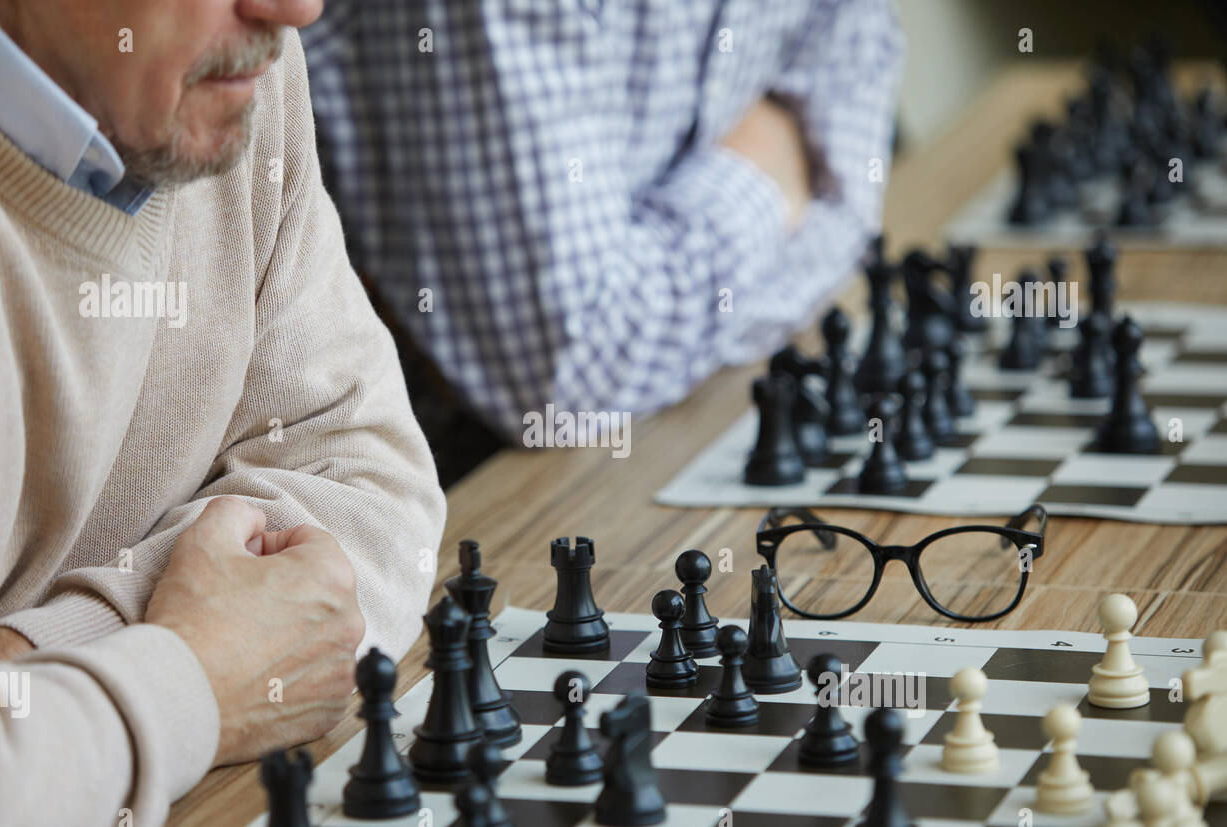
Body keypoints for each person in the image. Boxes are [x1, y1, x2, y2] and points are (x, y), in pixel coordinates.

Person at [0, 0, 445, 827]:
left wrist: (50, 662)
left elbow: (368, 477)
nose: (297, 10)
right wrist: (193, 681)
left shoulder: (232, 75)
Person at [303, 0, 904, 480]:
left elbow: (848, 220)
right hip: (447, 482)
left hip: (645, 441)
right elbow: (564, 383)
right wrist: (773, 184)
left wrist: (653, 318)